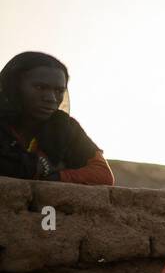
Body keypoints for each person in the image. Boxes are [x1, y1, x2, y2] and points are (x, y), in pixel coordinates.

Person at [0, 52, 114, 185]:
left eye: (59, 91)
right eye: (40, 87)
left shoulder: (64, 127)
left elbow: (103, 175)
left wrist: (56, 176)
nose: (51, 98)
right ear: (13, 87)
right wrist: (41, 168)